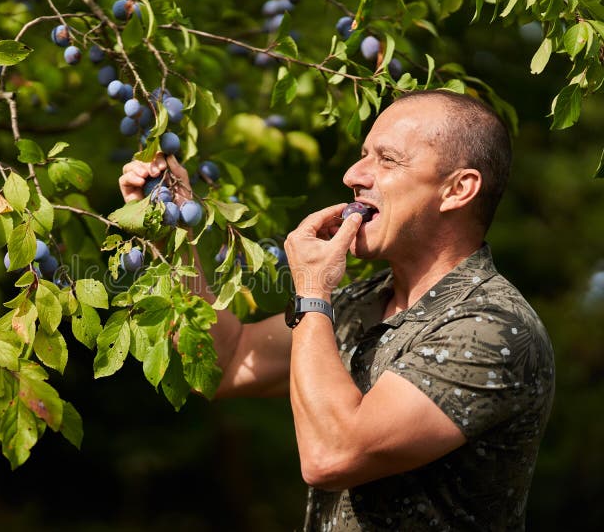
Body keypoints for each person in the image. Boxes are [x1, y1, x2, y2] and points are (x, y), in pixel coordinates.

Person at [119, 90, 555, 530]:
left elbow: (332, 454)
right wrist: (168, 233)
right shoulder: (362, 303)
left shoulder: (493, 328)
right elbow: (224, 361)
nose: (353, 174)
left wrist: (312, 290)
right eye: (362, 155)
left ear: (458, 189)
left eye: (387, 160)